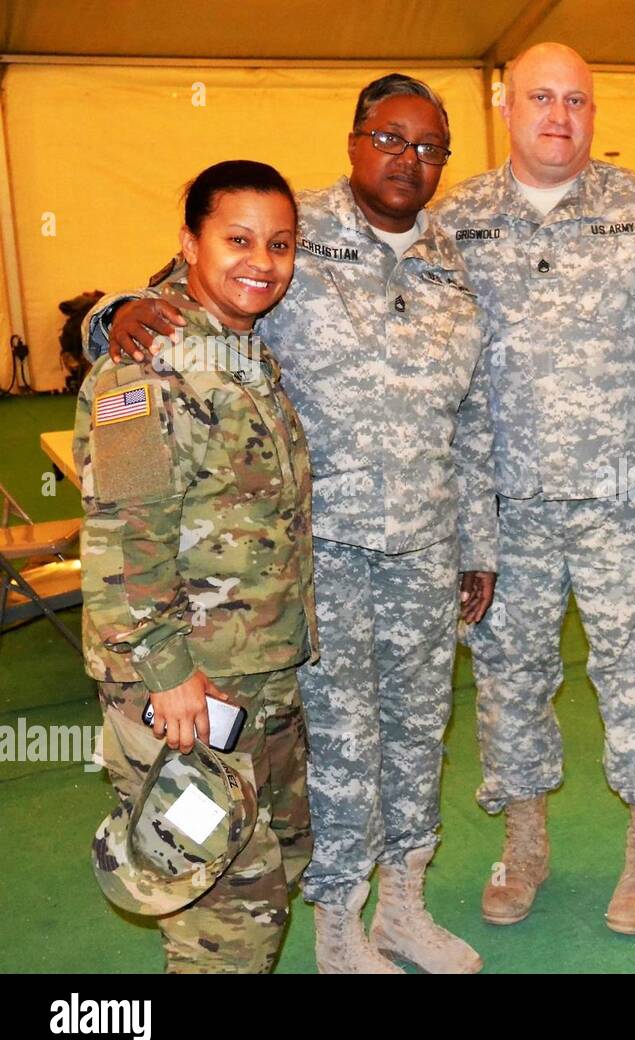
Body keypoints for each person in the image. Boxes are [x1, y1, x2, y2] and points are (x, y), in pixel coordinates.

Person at [88, 74, 496, 974]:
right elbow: (163, 314)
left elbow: (472, 417)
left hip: (424, 548)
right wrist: (116, 315)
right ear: (353, 140)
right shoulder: (288, 230)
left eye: (430, 147)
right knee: (337, 748)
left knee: (418, 732)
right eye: (391, 138)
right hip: (315, 559)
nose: (409, 159)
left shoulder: (454, 258)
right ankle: (341, 924)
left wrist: (478, 541)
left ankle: (404, 906)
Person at [431, 43, 635, 935]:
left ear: (595, 113)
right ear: (506, 104)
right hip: (504, 505)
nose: (560, 116)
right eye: (541, 98)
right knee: (510, 674)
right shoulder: (458, 220)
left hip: (625, 500)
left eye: (577, 101)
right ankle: (524, 845)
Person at [78, 160, 314, 973]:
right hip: (185, 689)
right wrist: (166, 669)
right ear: (189, 242)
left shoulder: (242, 350)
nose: (262, 261)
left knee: (273, 874)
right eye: (237, 239)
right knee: (226, 921)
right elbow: (125, 529)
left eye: (280, 244)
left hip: (256, 677)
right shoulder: (141, 364)